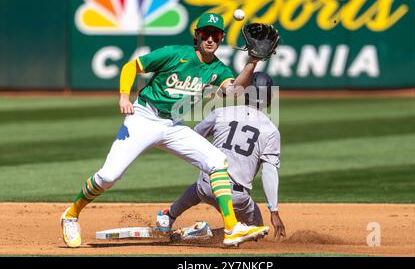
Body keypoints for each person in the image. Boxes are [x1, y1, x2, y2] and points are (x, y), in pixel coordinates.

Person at [60, 13, 271, 248]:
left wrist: (252, 61)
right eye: (205, 33)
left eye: (216, 35)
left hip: (172, 126)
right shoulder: (174, 53)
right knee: (108, 176)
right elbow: (133, 66)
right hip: (143, 117)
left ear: (221, 38)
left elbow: (234, 92)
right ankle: (71, 214)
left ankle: (231, 227)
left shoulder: (217, 68)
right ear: (197, 35)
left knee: (217, 160)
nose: (210, 39)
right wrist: (123, 95)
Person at [156, 72, 286, 241]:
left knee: (201, 182)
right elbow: (269, 172)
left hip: (207, 186)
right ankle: (204, 234)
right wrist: (274, 210)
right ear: (269, 99)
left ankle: (170, 215)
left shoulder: (221, 113)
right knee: (256, 231)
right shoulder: (271, 131)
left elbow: (194, 135)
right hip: (237, 198)